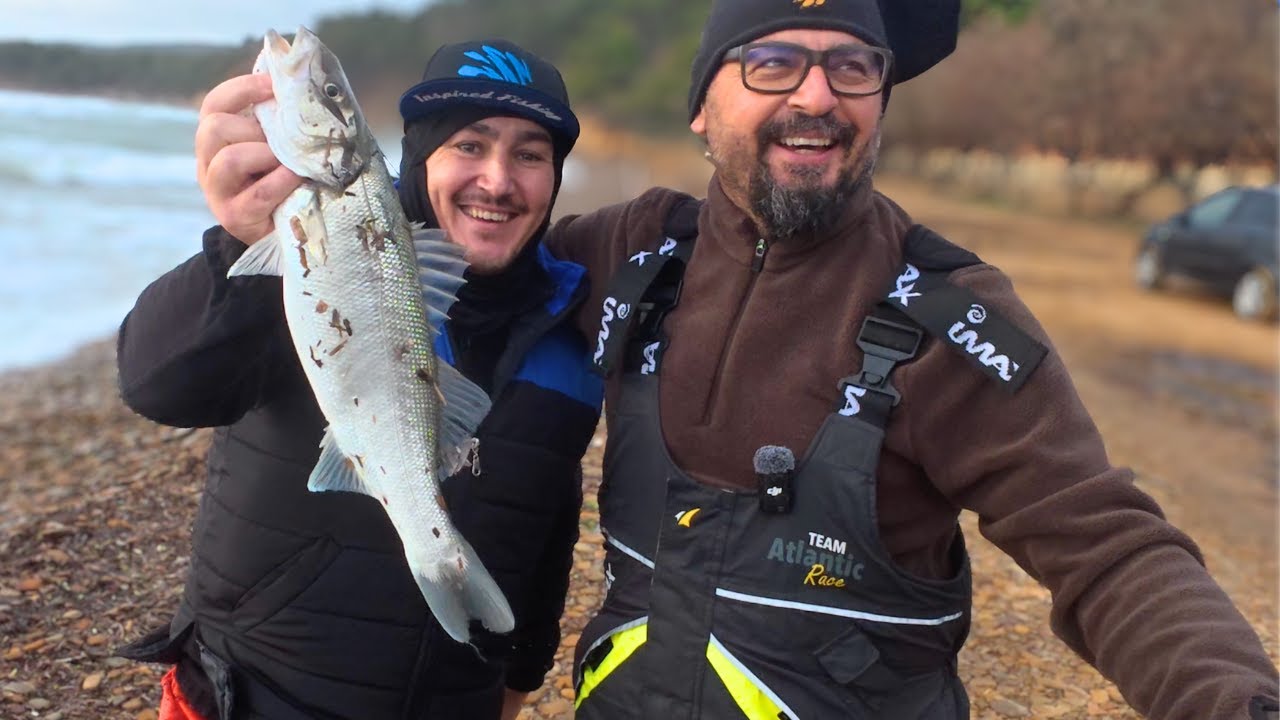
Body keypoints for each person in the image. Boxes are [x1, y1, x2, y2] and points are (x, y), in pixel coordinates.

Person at [538, 1, 1280, 719]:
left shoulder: (947, 313)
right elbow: (473, 268)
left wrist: (1233, 699)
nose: (818, 96)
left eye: (854, 67)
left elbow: (1106, 547)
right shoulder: (632, 251)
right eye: (772, 63)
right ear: (702, 105)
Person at [115, 38, 602, 720]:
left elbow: (547, 534)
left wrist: (519, 677)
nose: (497, 179)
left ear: (553, 177)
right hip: (246, 700)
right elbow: (155, 385)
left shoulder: (570, 340)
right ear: (419, 157)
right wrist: (232, 239)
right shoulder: (306, 263)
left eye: (529, 154)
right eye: (470, 145)